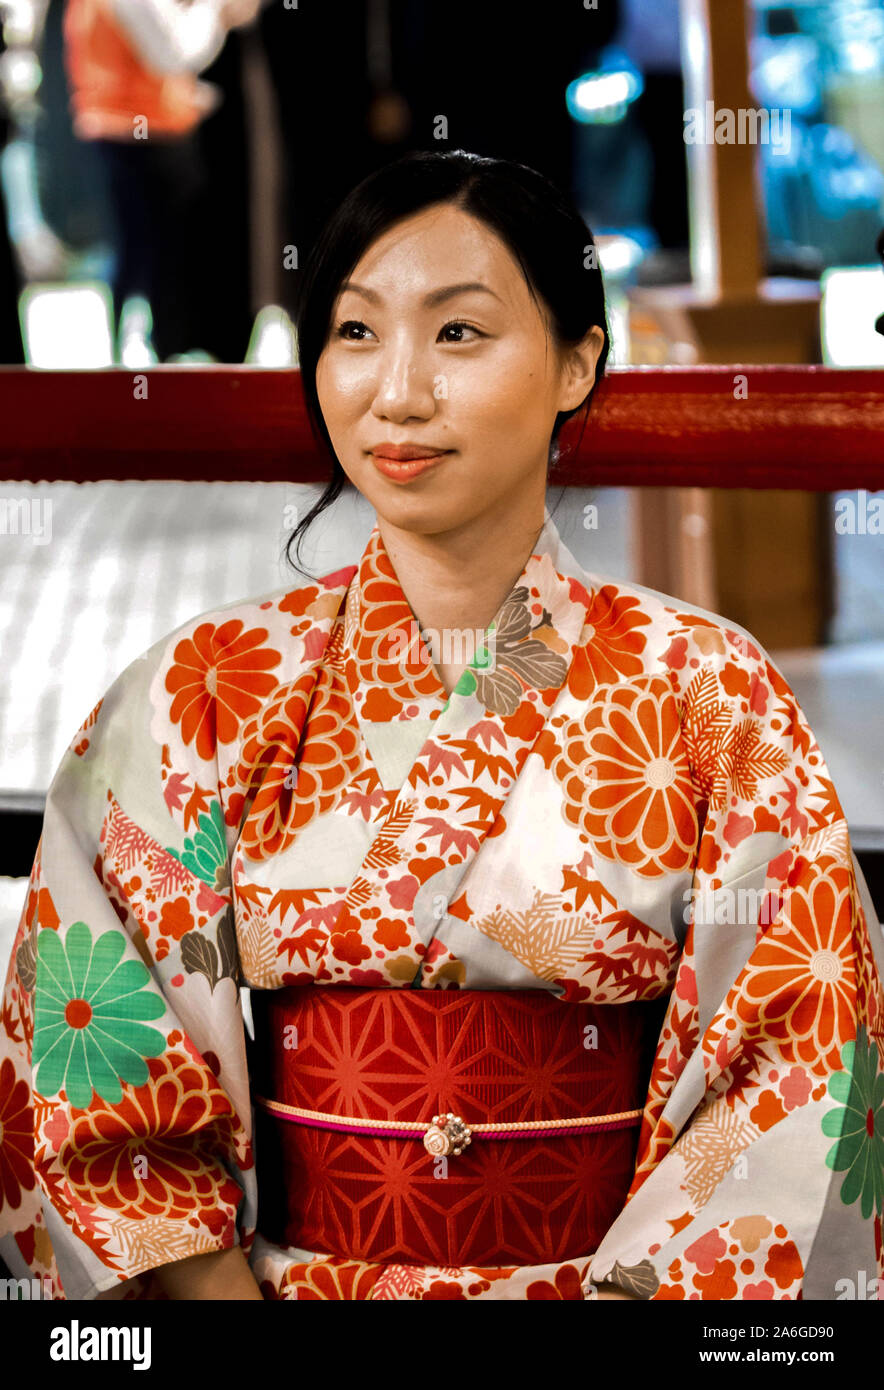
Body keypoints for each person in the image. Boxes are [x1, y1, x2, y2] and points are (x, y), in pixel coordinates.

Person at [1, 149, 882, 1301]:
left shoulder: (706, 687)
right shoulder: (207, 683)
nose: (397, 391)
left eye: (458, 334)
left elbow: (793, 1064)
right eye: (354, 333)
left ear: (577, 362)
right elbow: (94, 1060)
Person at [62, 0, 260, 361]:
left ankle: (131, 346)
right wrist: (216, 12)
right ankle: (150, 347)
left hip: (119, 127)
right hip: (143, 134)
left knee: (134, 244)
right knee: (152, 249)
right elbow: (175, 55)